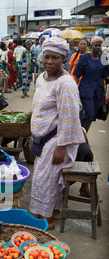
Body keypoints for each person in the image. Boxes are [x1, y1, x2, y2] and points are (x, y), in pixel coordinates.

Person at [29, 36, 85, 229]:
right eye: (46, 57)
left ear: (63, 59)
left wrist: (61, 146)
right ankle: (52, 211)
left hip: (56, 139)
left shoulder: (65, 83)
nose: (49, 62)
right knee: (45, 177)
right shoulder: (41, 78)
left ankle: (46, 218)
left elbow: (69, 117)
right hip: (41, 139)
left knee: (45, 179)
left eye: (55, 57)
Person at [73, 36, 109, 132]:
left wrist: (104, 93)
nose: (98, 47)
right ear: (91, 46)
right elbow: (77, 75)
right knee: (88, 114)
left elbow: (104, 76)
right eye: (96, 45)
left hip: (98, 91)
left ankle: (83, 137)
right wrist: (73, 91)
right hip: (85, 90)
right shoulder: (84, 58)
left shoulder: (104, 58)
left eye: (100, 46)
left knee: (92, 116)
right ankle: (77, 135)